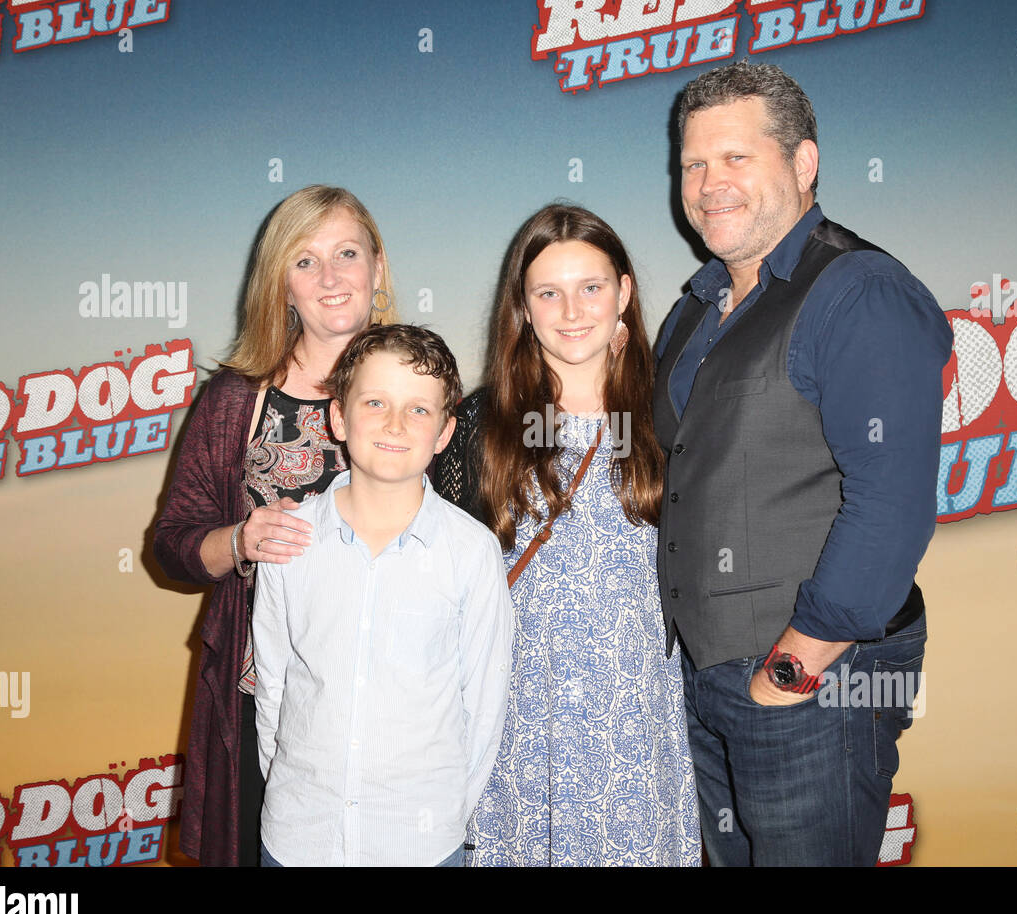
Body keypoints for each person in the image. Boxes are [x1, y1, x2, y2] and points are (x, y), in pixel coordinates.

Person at [655, 62, 953, 866]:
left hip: (811, 683)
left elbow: (889, 507)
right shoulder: (692, 308)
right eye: (693, 164)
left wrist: (788, 673)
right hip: (708, 678)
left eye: (736, 158)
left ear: (804, 163)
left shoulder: (858, 291)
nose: (710, 183)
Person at [435, 203, 700, 866]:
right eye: (548, 292)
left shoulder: (670, 412)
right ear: (522, 307)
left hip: (639, 719)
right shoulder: (482, 422)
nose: (573, 310)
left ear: (625, 292)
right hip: (519, 723)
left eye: (592, 287)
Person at [152, 185, 397, 866]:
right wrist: (237, 541)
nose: (331, 277)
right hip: (267, 702)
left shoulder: (420, 389)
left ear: (376, 268)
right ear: (281, 286)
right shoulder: (237, 399)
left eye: (347, 253)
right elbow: (172, 543)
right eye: (306, 260)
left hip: (392, 701)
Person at [253, 324, 513, 867]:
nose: (395, 424)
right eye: (376, 402)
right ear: (339, 417)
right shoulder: (290, 541)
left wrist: (443, 820)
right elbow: (273, 688)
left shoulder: (472, 553)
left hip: (422, 845)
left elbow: (482, 708)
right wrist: (295, 799)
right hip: (298, 839)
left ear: (444, 433)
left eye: (419, 410)